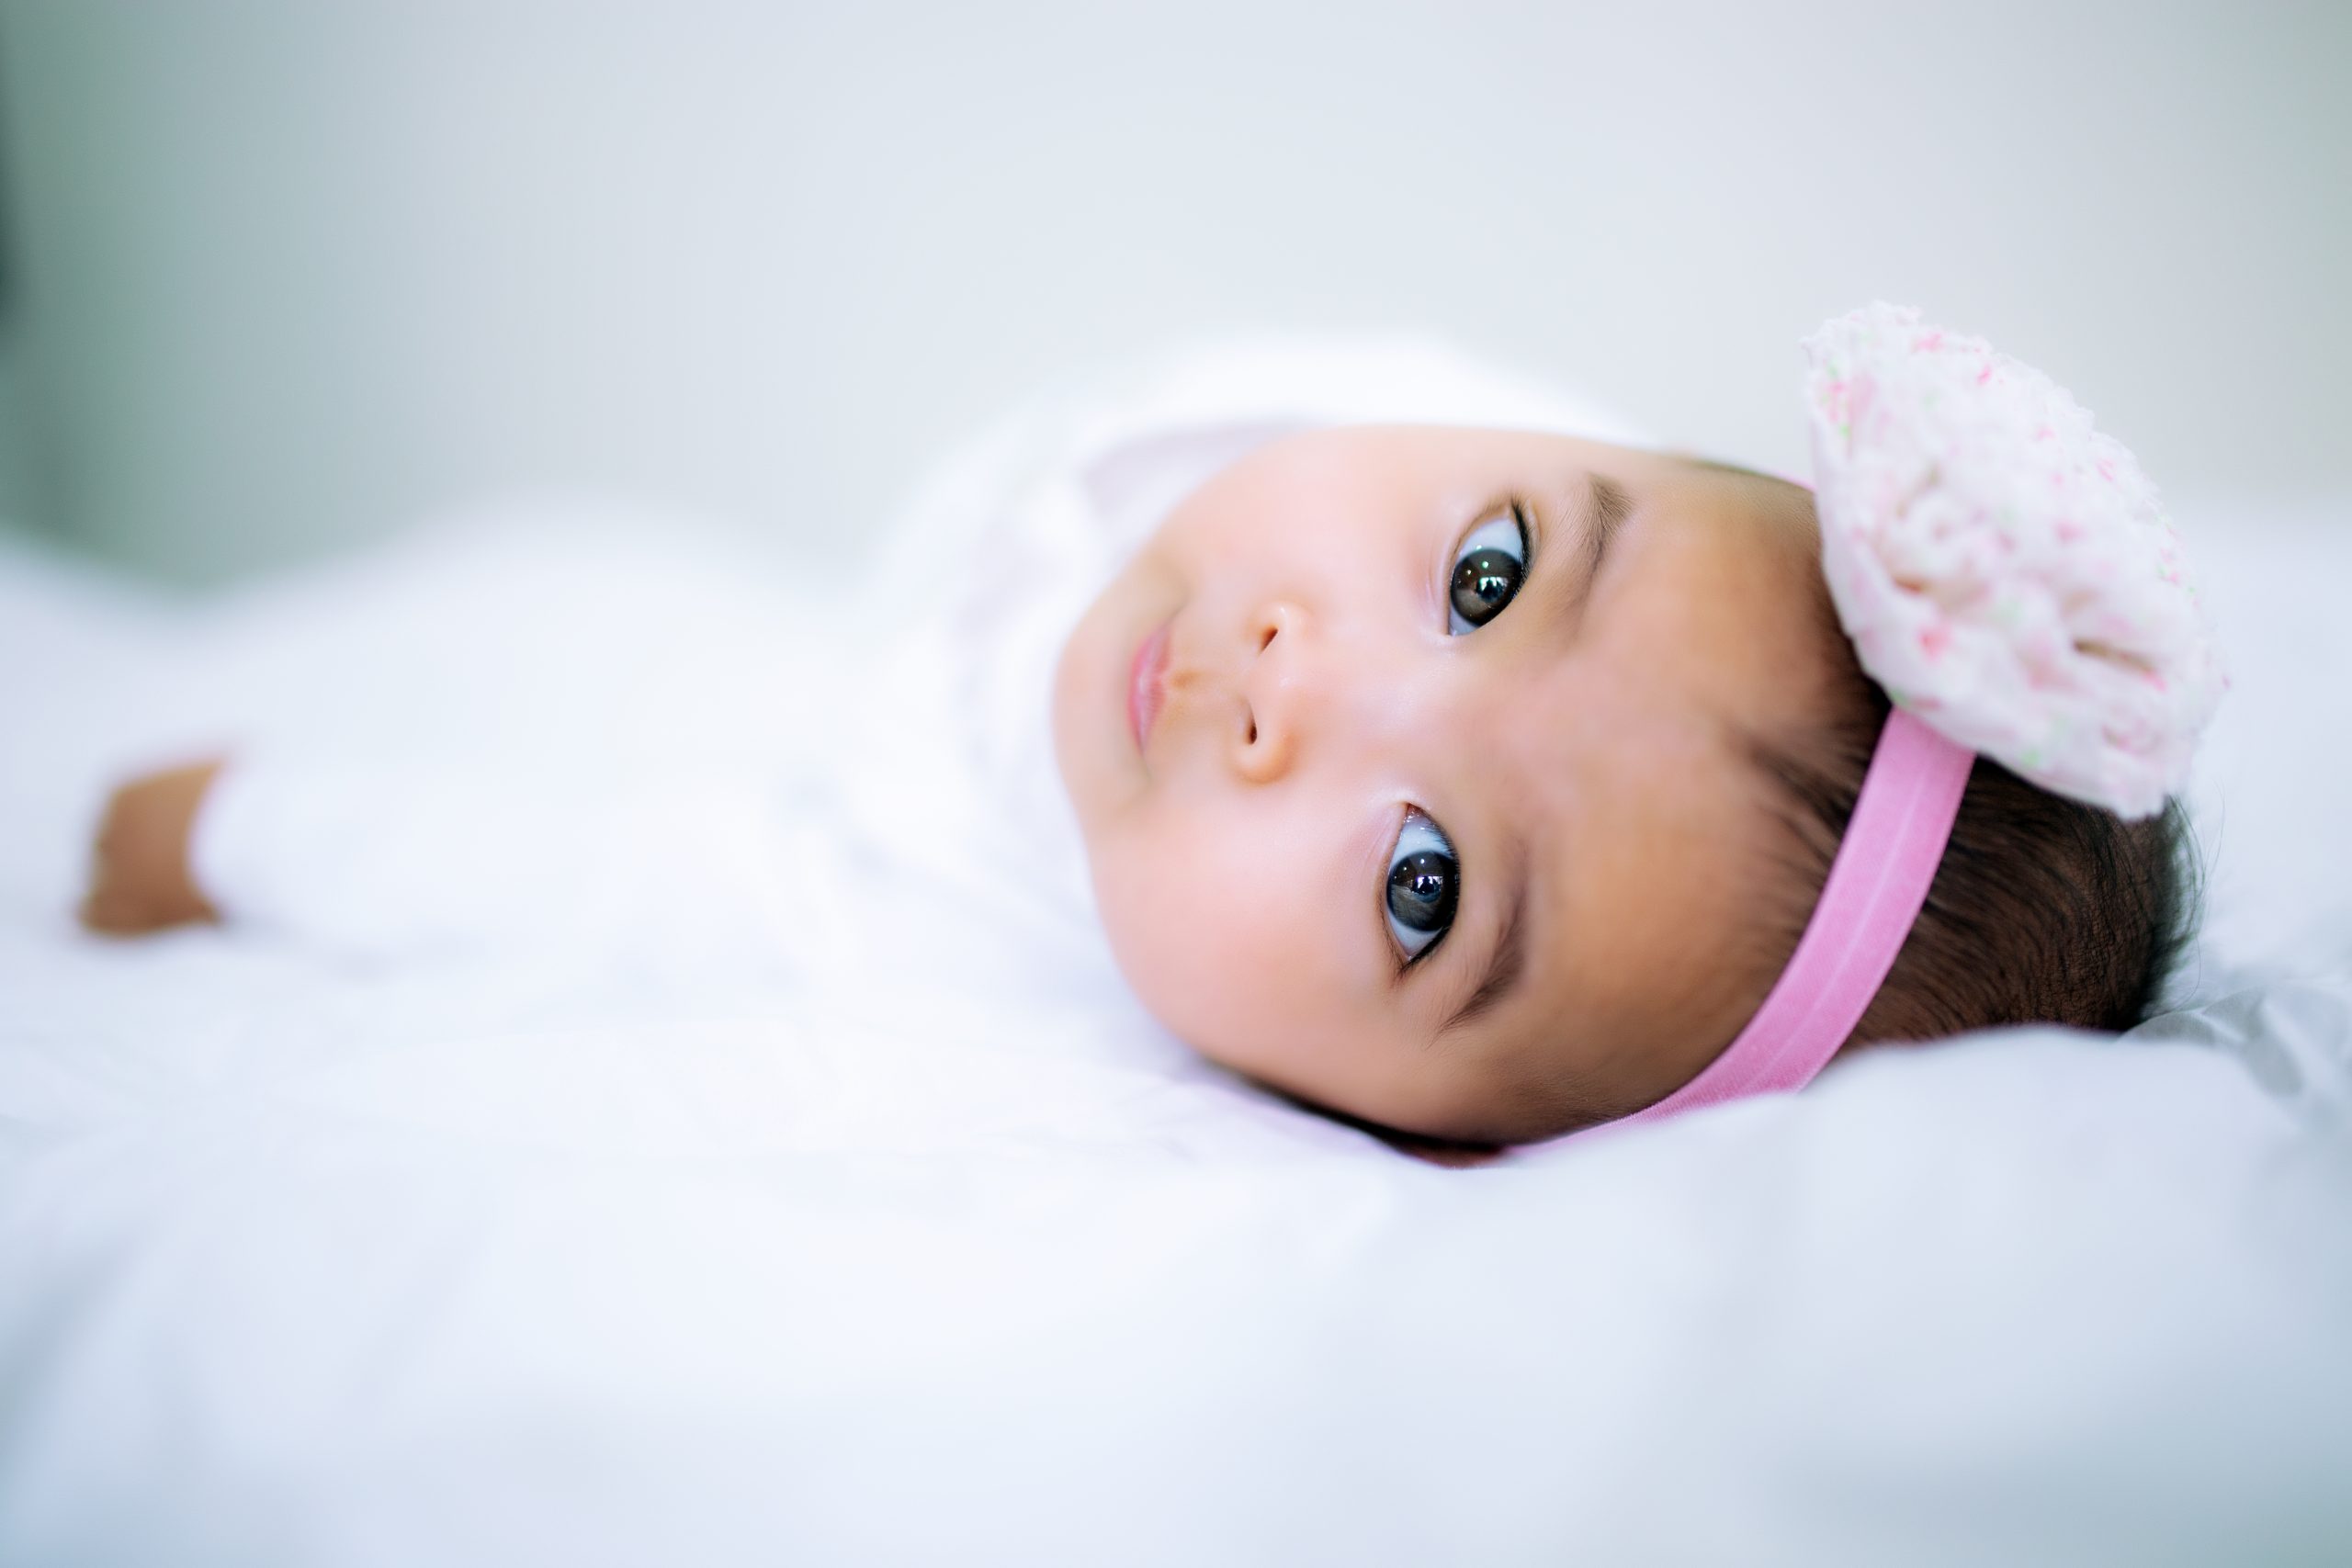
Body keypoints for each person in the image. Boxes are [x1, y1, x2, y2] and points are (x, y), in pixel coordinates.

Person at [80, 306, 2222, 1151]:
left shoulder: (943, 939)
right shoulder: (1458, 428)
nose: (1301, 680)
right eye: (1480, 578)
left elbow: (598, 891)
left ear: (1429, 1128)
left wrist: (247, 832)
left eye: (1421, 883)